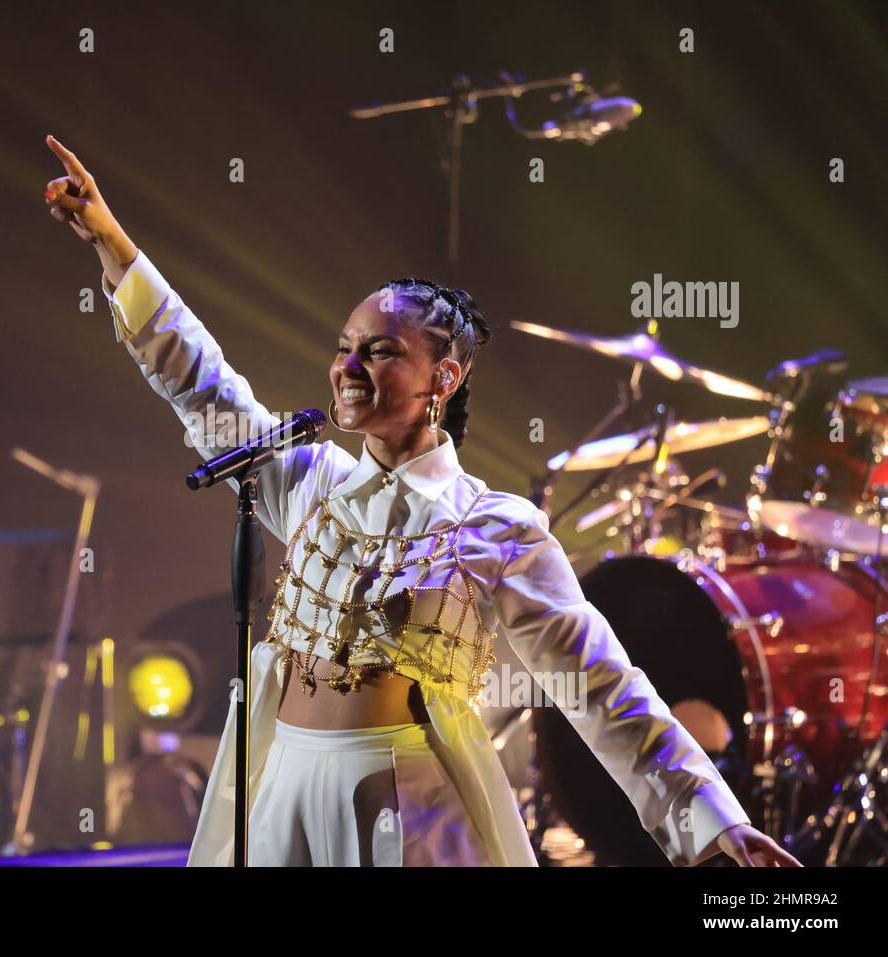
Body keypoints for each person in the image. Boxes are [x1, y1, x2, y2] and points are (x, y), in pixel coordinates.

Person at [42, 133, 797, 868]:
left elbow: (603, 688)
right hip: (280, 790)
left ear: (445, 378)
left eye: (380, 350)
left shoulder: (498, 527)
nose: (348, 365)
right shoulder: (309, 480)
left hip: (400, 805)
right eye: (345, 346)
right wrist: (113, 244)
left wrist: (712, 819)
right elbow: (201, 382)